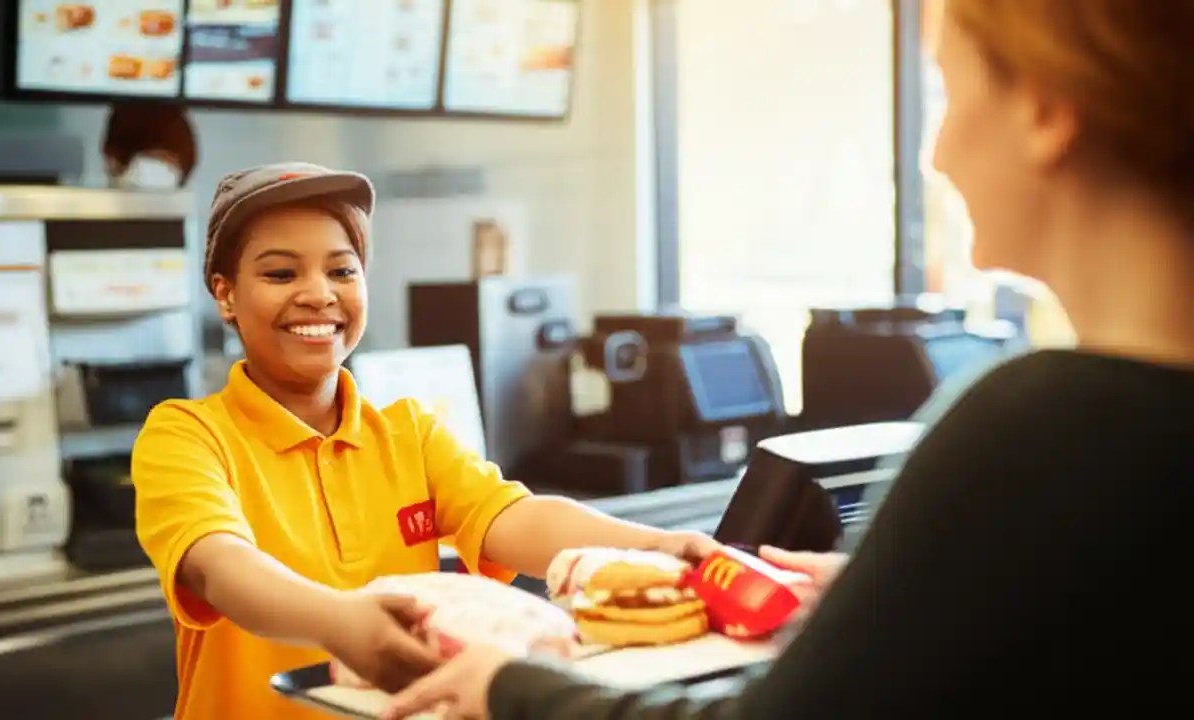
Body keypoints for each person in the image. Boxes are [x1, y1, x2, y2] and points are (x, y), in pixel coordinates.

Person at [380, 1, 1194, 717]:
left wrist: (506, 687)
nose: (936, 153)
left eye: (947, 91)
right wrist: (906, 604)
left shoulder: (1046, 422)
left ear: (1047, 109)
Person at [130, 161, 722, 720]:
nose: (319, 293)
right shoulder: (187, 434)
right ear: (226, 293)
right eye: (281, 273)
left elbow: (513, 518)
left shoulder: (408, 433)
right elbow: (220, 567)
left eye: (342, 270)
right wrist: (337, 620)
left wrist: (654, 547)